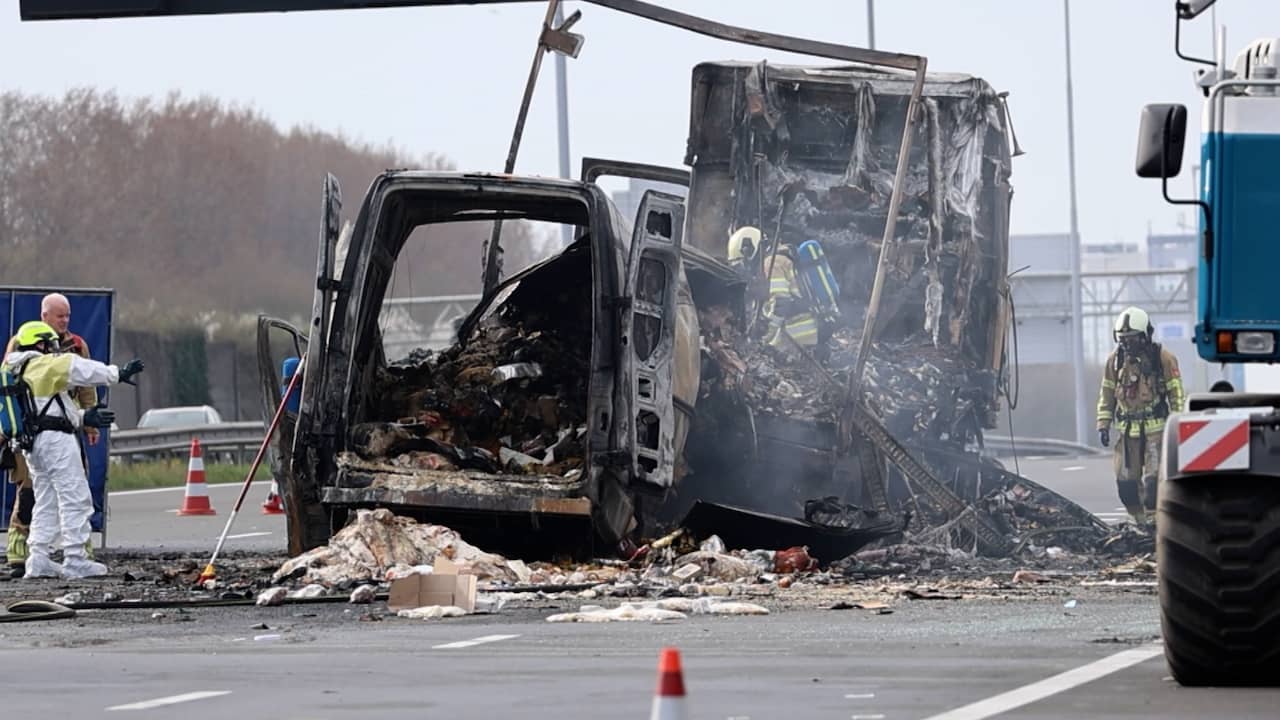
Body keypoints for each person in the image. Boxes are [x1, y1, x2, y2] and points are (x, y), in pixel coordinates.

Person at [4, 321, 143, 578]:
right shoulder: (44, 365)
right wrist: (118, 374)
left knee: (45, 501)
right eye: (50, 344)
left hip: (34, 446)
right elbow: (79, 367)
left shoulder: (15, 371)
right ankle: (76, 558)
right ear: (39, 344)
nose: (53, 349)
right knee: (75, 498)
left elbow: (47, 410)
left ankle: (38, 557)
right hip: (57, 442)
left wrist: (82, 418)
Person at [4, 293, 102, 569]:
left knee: (75, 486)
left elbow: (87, 385)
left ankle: (79, 547)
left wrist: (90, 423)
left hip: (66, 425)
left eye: (67, 315)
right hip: (31, 427)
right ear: (44, 315)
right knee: (30, 487)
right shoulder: (22, 343)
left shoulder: (76, 345)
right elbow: (7, 385)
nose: (65, 320)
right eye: (60, 315)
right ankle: (19, 543)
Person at [1096, 306, 1185, 524]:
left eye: (1133, 339)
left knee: (1154, 484)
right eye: (1123, 339)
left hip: (1156, 432)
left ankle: (1156, 524)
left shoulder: (1163, 358)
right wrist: (1103, 423)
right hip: (1127, 434)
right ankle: (1139, 521)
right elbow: (1107, 393)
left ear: (1145, 336)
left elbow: (1176, 393)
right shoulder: (1114, 361)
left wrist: (1179, 427)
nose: (1127, 344)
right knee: (1126, 485)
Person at [762, 243, 820, 354]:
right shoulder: (787, 258)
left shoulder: (772, 262)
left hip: (797, 336)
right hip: (812, 330)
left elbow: (781, 303)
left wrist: (767, 335)